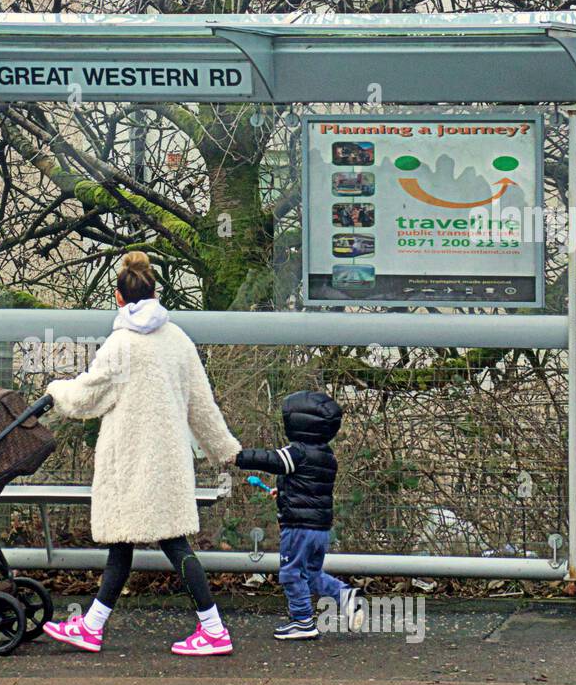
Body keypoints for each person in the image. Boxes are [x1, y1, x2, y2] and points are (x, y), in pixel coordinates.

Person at [41, 251, 241, 656]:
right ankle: (94, 626)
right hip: (167, 463)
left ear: (118, 297)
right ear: (155, 292)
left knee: (134, 542)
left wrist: (54, 390)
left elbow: (85, 399)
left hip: (128, 463)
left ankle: (214, 628)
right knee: (154, 543)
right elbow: (202, 405)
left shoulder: (120, 345)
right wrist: (226, 450)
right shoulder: (178, 340)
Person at [236, 390, 364, 640]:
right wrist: (283, 491)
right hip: (320, 529)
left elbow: (272, 460)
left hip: (298, 528)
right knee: (312, 574)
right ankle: (345, 595)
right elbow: (310, 488)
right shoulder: (327, 456)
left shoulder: (298, 452)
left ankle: (302, 620)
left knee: (291, 573)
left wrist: (238, 457)